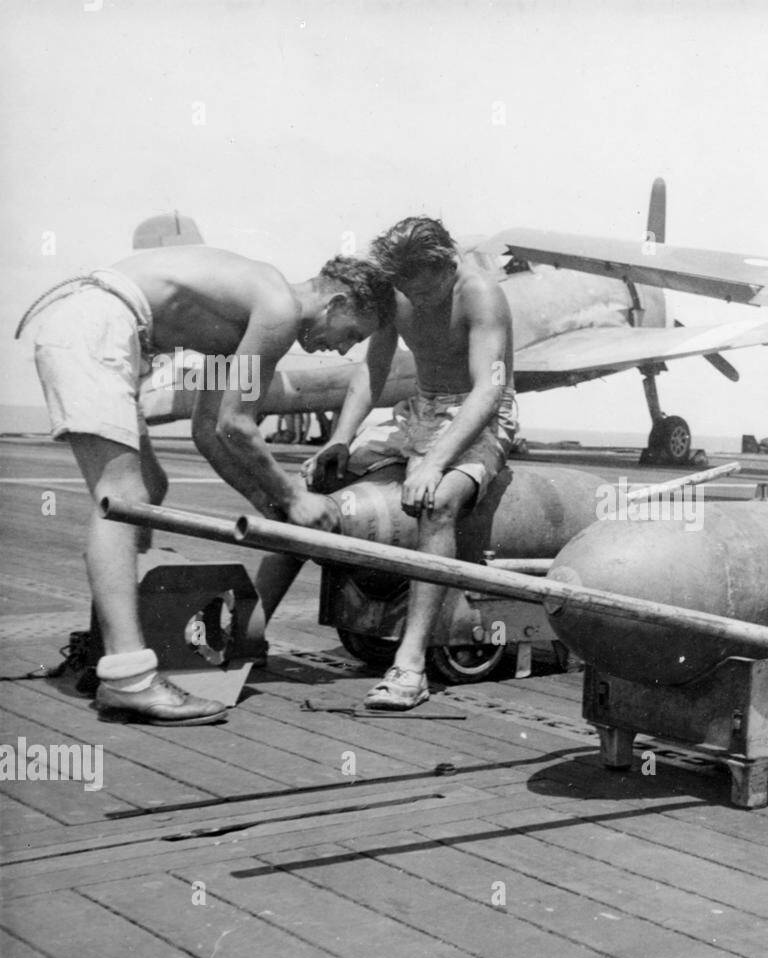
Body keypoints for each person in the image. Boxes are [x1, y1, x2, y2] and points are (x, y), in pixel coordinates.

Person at [17, 247, 395, 725]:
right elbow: (239, 423)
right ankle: (129, 679)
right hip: (97, 323)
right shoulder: (277, 307)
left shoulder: (239, 325)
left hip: (96, 323)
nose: (340, 350)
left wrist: (268, 503)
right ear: (338, 303)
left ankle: (105, 650)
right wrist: (295, 497)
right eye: (351, 336)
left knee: (148, 487)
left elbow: (210, 430)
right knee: (123, 501)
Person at [302, 216, 519, 709]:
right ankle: (250, 637)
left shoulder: (481, 293)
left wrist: (434, 462)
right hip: (419, 408)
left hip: (480, 414)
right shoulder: (398, 290)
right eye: (407, 292)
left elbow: (490, 388)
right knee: (316, 480)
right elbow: (374, 369)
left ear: (448, 265)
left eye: (425, 293)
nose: (415, 303)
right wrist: (339, 438)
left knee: (437, 503)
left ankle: (411, 665)